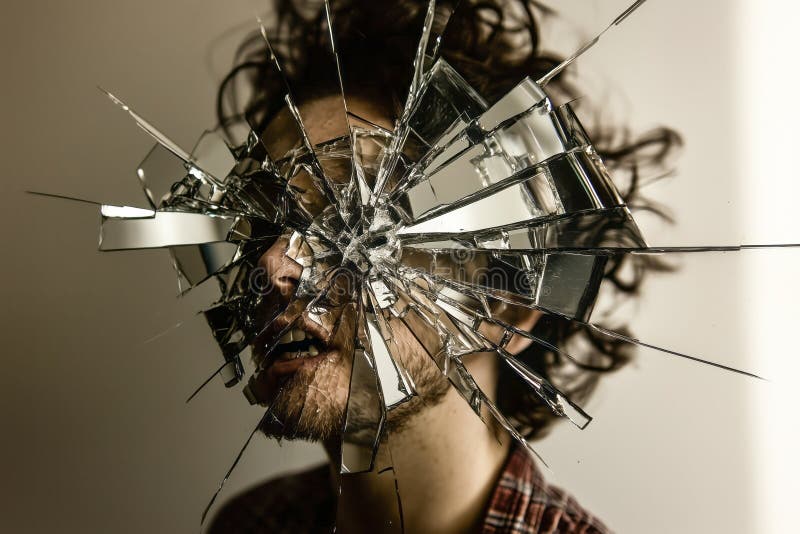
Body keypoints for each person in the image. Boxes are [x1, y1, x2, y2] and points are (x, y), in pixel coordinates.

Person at [209, 1, 679, 532]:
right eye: (264, 224)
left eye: (356, 219)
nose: (273, 265)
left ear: (508, 303)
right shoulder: (252, 524)